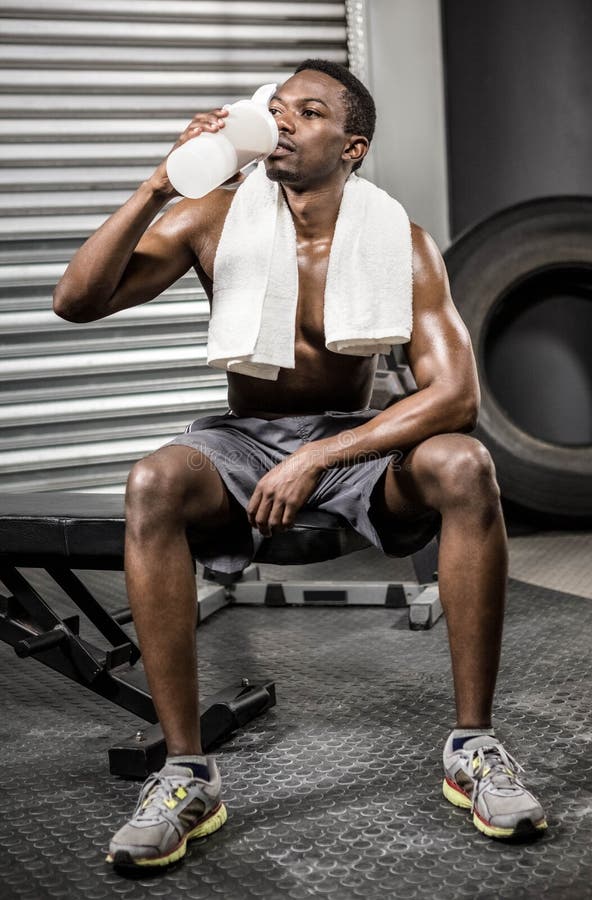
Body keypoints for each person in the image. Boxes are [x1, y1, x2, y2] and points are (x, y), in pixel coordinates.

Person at [53, 59, 547, 872]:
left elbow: (457, 394)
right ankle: (186, 773)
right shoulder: (212, 218)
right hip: (241, 441)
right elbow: (75, 300)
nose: (280, 120)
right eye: (273, 106)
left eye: (307, 112)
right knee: (152, 480)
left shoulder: (402, 240)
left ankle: (473, 747)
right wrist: (158, 187)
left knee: (463, 464)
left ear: (351, 146)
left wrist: (320, 455)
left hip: (351, 443)